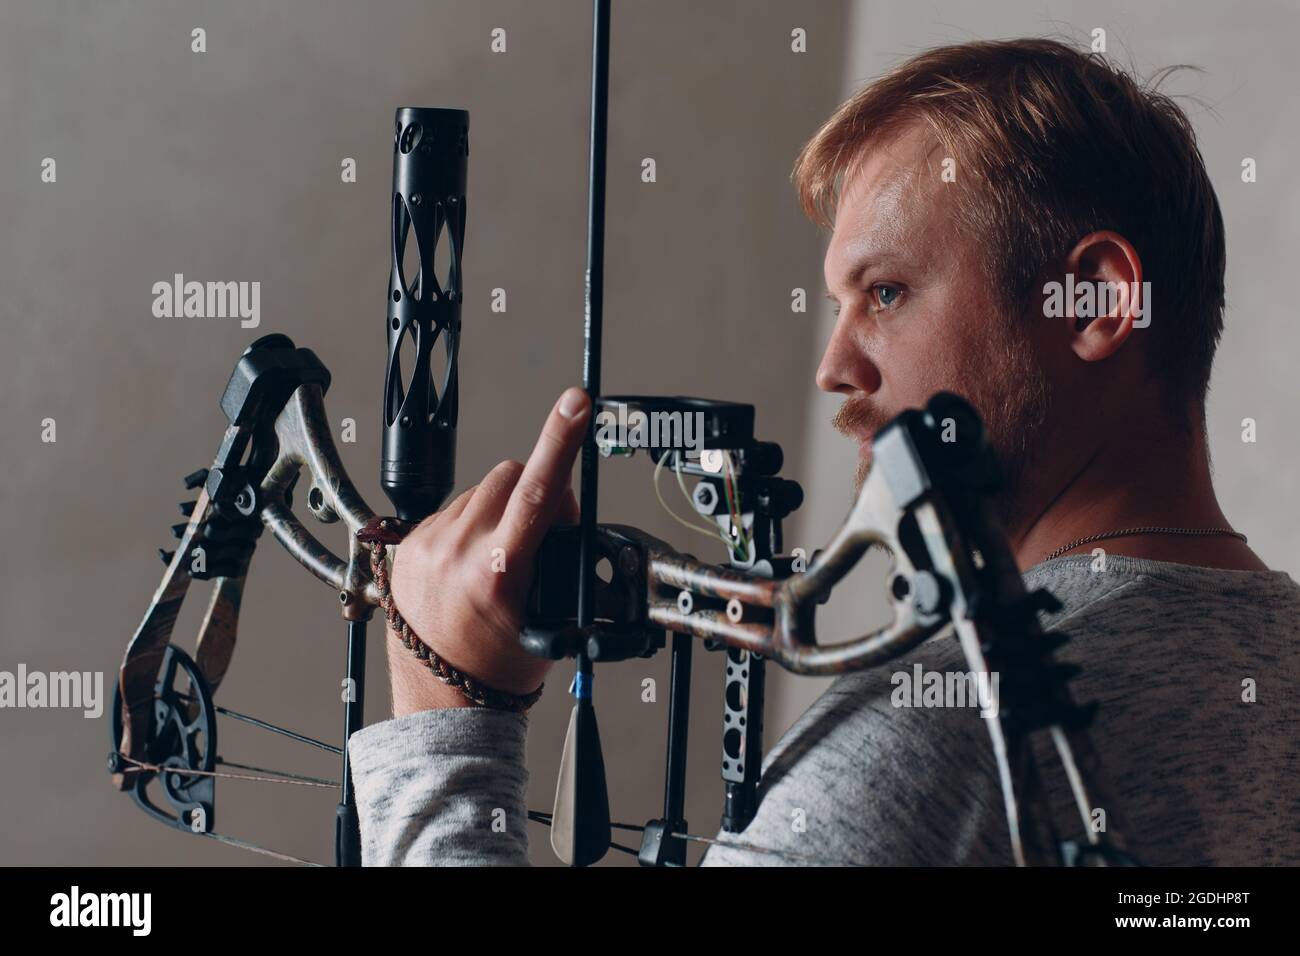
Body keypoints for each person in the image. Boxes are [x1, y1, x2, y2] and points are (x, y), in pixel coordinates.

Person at [348, 38, 1300, 865]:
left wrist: (446, 723)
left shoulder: (925, 744)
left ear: (1093, 300)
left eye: (884, 293)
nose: (835, 368)